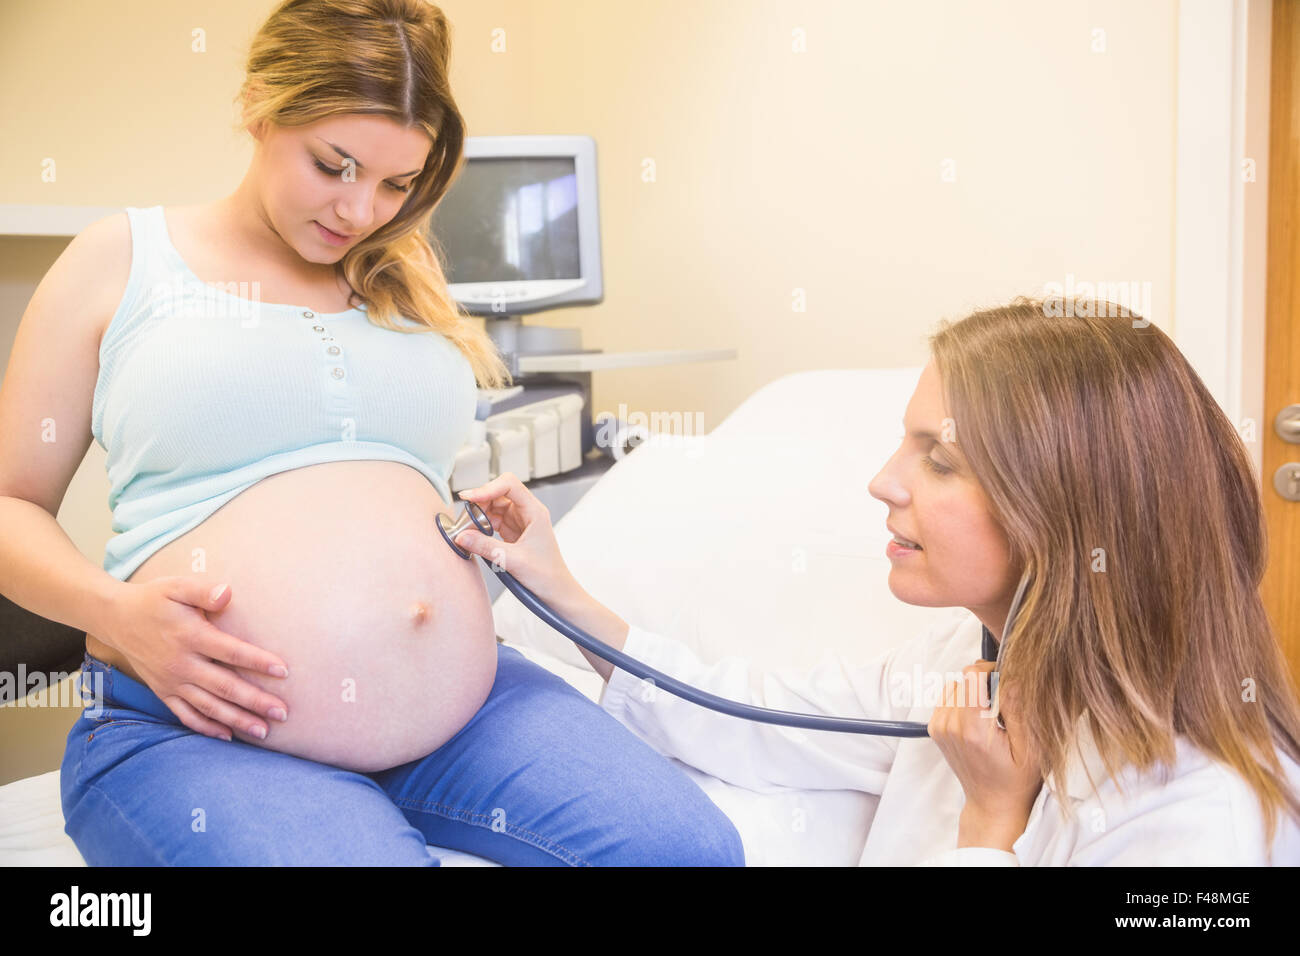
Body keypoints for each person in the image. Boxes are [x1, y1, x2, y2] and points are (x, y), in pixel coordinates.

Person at [0, 0, 744, 866]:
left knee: (688, 850)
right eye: (333, 165)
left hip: (468, 710)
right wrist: (116, 612)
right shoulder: (123, 258)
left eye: (397, 184)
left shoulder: (405, 277)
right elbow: (11, 502)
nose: (360, 211)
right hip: (210, 723)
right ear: (259, 106)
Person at [453, 298, 1300, 865]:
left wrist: (990, 826)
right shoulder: (961, 669)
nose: (884, 482)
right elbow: (749, 716)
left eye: (938, 459)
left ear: (1068, 512)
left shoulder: (1207, 821)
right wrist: (560, 591)